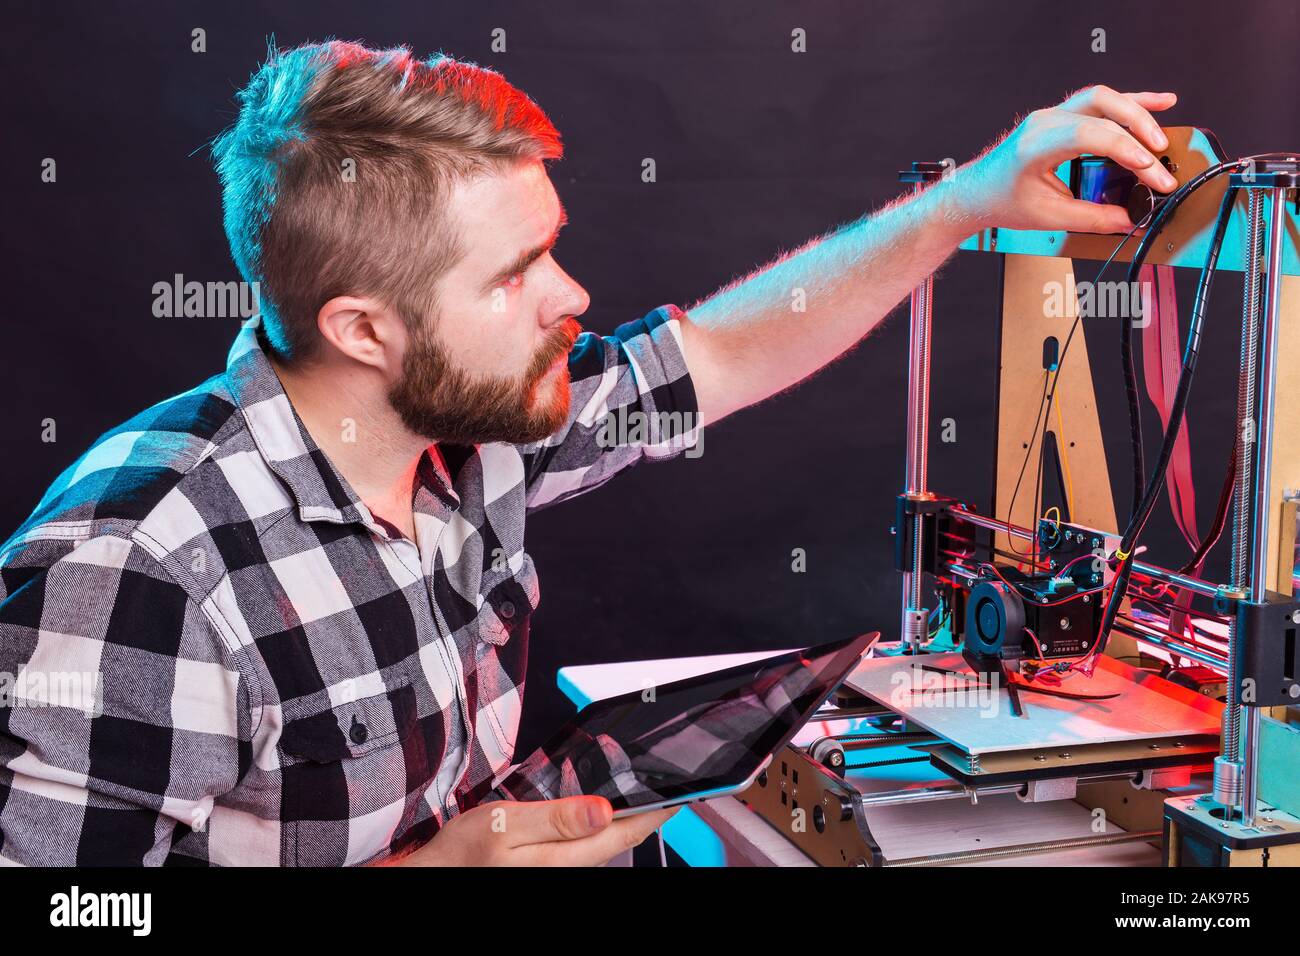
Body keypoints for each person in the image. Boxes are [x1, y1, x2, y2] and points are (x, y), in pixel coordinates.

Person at [0, 39, 1177, 866]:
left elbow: (716, 353)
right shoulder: (135, 569)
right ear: (363, 328)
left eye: (549, 245)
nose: (573, 293)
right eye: (513, 276)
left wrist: (966, 200)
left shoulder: (466, 425)